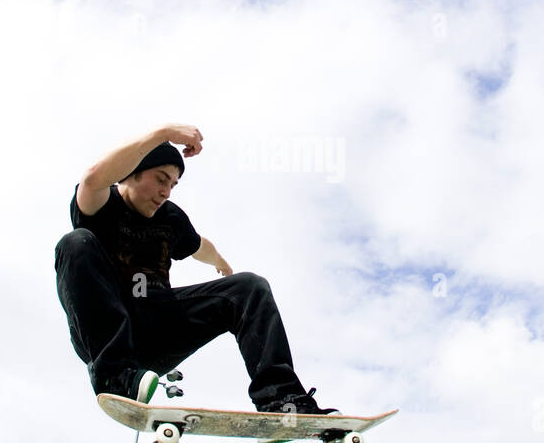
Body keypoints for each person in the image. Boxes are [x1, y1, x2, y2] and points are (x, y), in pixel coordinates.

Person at [54, 123, 337, 414]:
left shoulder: (171, 219)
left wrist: (221, 264)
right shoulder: (102, 204)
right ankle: (114, 378)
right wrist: (163, 135)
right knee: (75, 242)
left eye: (172, 185)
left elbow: (201, 246)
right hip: (108, 332)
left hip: (157, 327)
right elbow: (93, 178)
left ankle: (282, 400)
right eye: (161, 179)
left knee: (250, 286)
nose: (165, 192)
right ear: (132, 172)